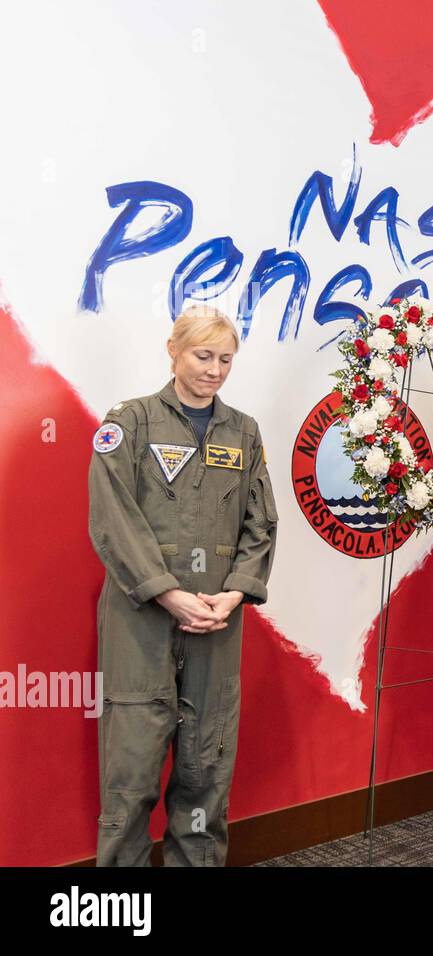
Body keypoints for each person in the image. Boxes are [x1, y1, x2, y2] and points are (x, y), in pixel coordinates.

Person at [88, 305, 278, 866]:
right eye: (202, 356)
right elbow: (112, 518)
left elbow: (261, 521)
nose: (214, 370)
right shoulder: (130, 422)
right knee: (132, 766)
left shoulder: (243, 431)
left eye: (225, 359)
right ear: (173, 350)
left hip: (217, 621)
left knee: (206, 764)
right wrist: (166, 592)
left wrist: (237, 591)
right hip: (140, 620)